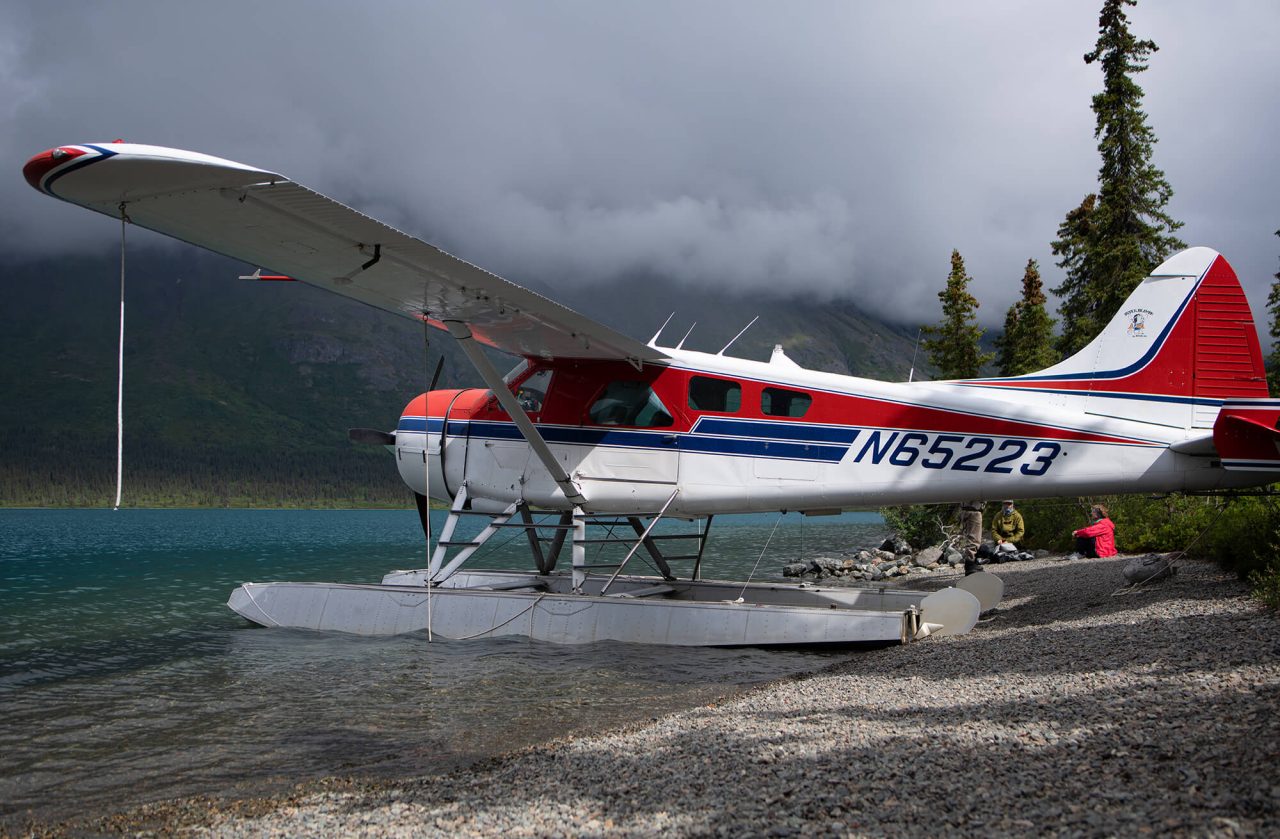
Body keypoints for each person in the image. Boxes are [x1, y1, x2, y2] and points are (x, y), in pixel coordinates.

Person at [958, 500, 985, 575]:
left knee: (971, 537)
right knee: (974, 538)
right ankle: (970, 563)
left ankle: (972, 561)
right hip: (973, 510)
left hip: (967, 509)